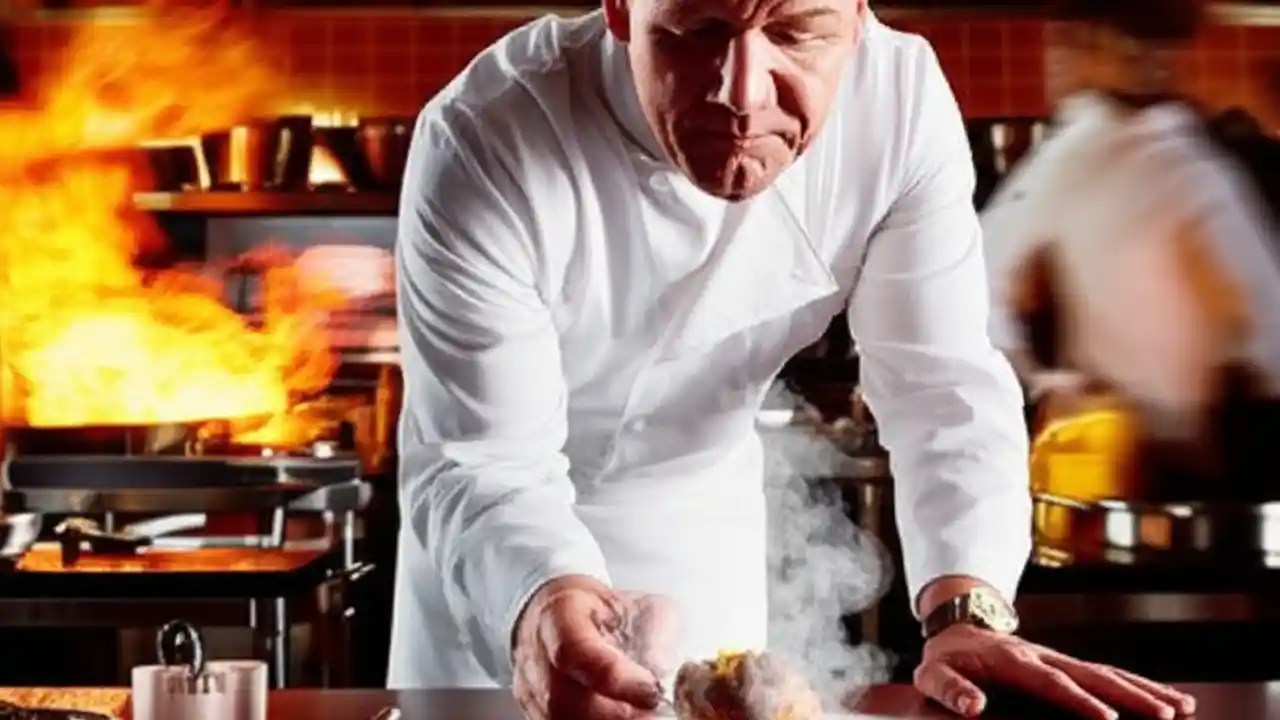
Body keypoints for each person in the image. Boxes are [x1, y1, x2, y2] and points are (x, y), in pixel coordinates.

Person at [392, 1, 1197, 718]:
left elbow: (942, 388)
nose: (743, 93)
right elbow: (485, 458)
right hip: (498, 574)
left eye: (797, 31)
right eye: (697, 32)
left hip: (700, 537)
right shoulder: (485, 132)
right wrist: (538, 602)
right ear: (617, 11)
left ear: (857, 16)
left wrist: (966, 609)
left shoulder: (901, 105)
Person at [982, 0, 1280, 486]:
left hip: (1223, 461)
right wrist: (1045, 387)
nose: (1150, 59)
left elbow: (1263, 325)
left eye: (1162, 44)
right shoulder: (1077, 156)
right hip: (1123, 459)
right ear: (1094, 43)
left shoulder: (1197, 157)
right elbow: (971, 288)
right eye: (1131, 41)